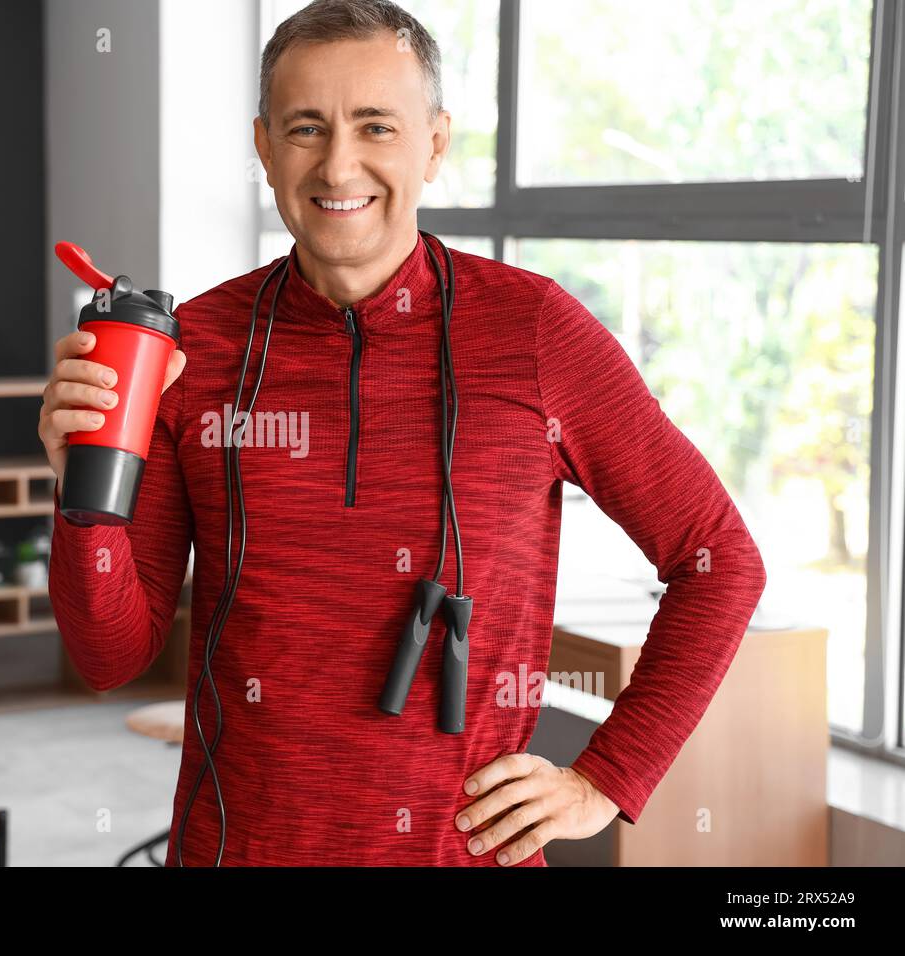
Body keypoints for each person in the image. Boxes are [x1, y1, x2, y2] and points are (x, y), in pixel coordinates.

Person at [39, 0, 766, 866]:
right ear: (265, 147)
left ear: (434, 142)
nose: (338, 163)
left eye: (375, 125)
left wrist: (605, 779)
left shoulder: (534, 331)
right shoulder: (193, 349)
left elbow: (717, 560)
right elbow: (109, 655)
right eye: (306, 128)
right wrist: (87, 490)